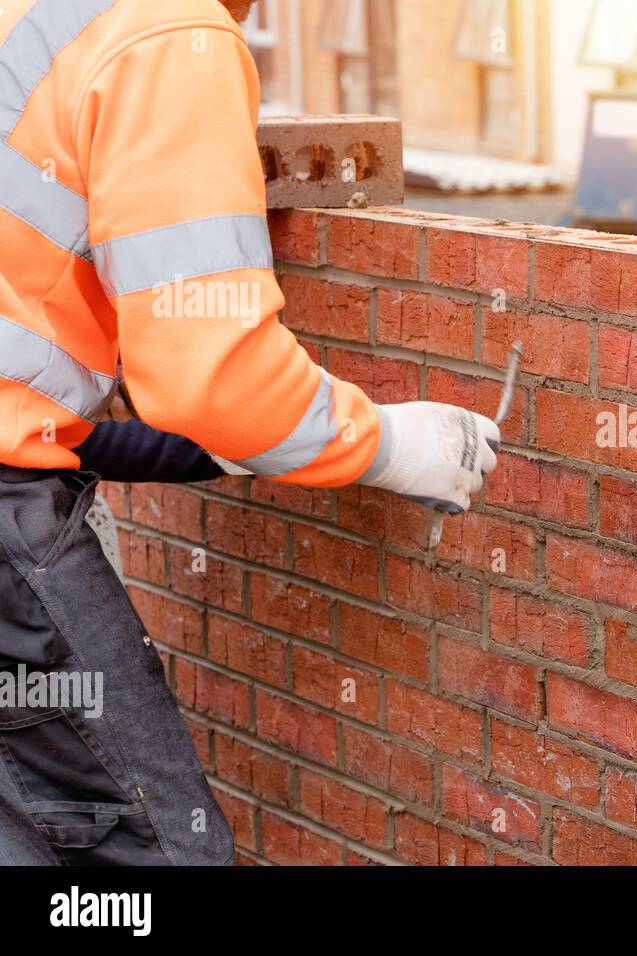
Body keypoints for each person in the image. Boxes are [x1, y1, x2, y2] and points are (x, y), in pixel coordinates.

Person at [0, 0, 497, 864]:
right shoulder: (170, 35)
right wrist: (389, 443)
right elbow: (211, 377)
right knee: (157, 854)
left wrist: (231, 443)